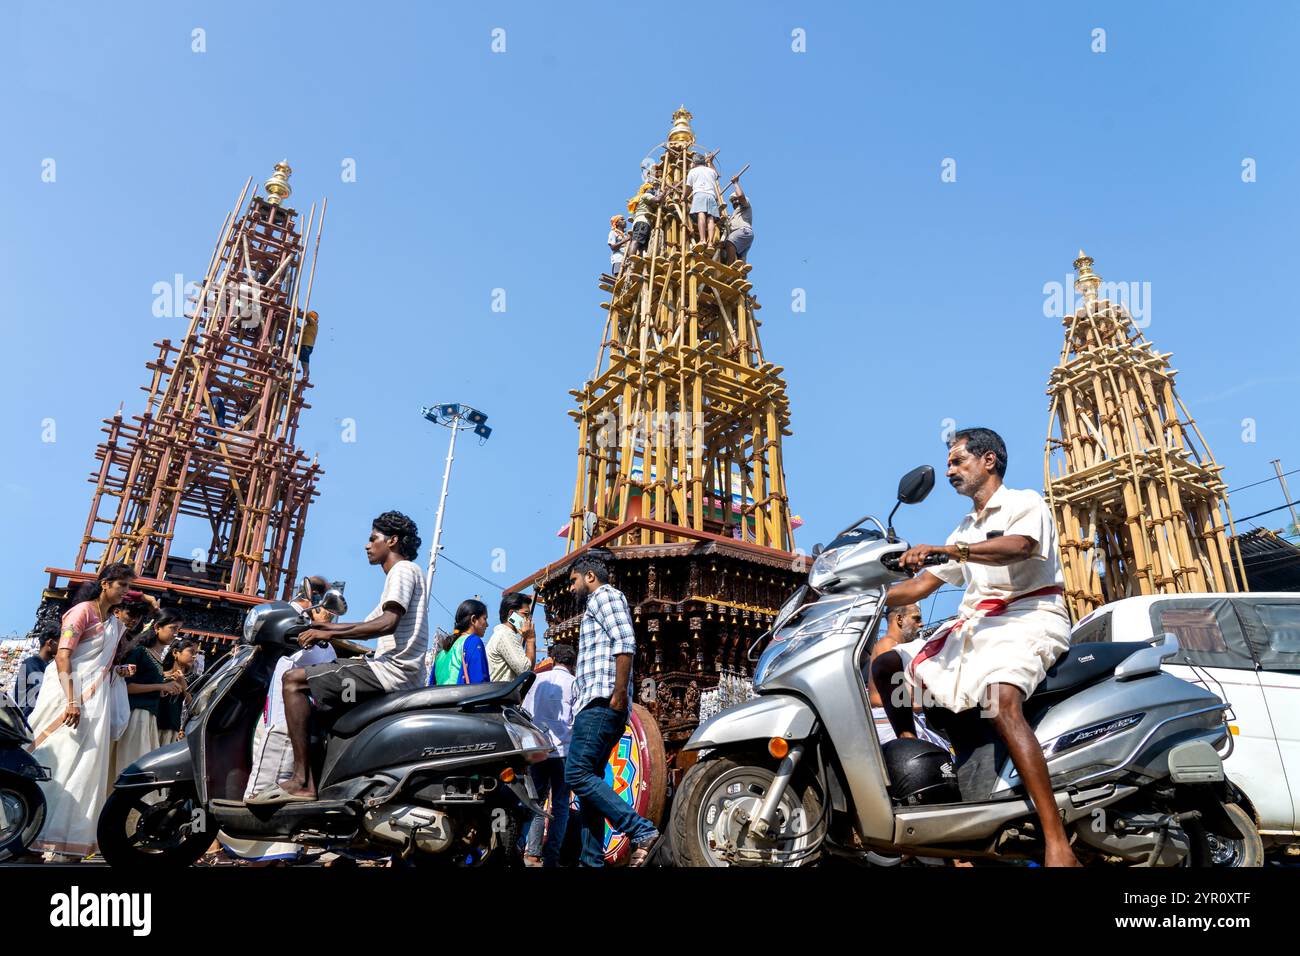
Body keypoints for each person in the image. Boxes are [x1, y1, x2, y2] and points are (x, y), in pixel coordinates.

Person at [870, 427, 1080, 867]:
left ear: (988, 461)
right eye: (948, 463)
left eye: (957, 460)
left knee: (999, 702)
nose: (949, 470)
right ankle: (915, 761)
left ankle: (1056, 841)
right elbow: (921, 587)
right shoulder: (966, 527)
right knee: (888, 663)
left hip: (1027, 619)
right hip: (977, 629)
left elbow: (1018, 548)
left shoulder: (1024, 503)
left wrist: (949, 549)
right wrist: (859, 596)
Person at [250, 511, 429, 804]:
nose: (367, 545)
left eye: (373, 539)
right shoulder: (407, 574)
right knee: (327, 699)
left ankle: (301, 781)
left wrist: (327, 634)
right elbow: (369, 625)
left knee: (293, 681)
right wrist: (323, 626)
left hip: (391, 672)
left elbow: (386, 623)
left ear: (392, 541)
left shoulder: (402, 571)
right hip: (396, 671)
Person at [25, 562, 138, 858]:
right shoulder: (82, 612)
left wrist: (120, 670)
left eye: (128, 586)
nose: (126, 592)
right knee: (56, 760)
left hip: (96, 701)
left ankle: (63, 839)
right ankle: (27, 828)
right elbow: (64, 657)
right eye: (122, 585)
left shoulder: (112, 621)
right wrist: (72, 701)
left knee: (87, 766)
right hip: (68, 696)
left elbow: (103, 665)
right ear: (106, 583)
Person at [564, 551, 659, 866]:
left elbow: (625, 642)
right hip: (601, 703)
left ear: (590, 576)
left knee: (576, 773)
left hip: (602, 702)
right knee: (590, 780)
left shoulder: (605, 597)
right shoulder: (597, 604)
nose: (571, 588)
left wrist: (619, 693)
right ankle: (591, 860)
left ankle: (640, 829)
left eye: (573, 580)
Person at [244, 577, 337, 801]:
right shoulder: (297, 628)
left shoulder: (317, 641)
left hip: (282, 732)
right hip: (273, 725)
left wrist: (320, 623)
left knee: (257, 798)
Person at [112, 609, 185, 781]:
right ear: (158, 627)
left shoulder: (158, 658)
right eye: (173, 628)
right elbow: (127, 687)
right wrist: (160, 685)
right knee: (134, 764)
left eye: (178, 630)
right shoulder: (140, 652)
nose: (176, 633)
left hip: (150, 717)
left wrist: (162, 689)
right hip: (135, 715)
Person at [522, 641, 576, 867]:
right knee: (561, 805)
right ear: (572, 664)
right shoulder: (574, 683)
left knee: (536, 803)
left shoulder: (538, 681)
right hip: (563, 751)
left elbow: (525, 712)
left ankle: (532, 852)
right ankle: (552, 856)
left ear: (553, 659)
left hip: (539, 750)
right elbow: (577, 718)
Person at [867, 604, 922, 744]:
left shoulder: (898, 647)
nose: (921, 624)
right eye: (916, 619)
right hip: (891, 722)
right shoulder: (888, 646)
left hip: (903, 719)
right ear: (899, 619)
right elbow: (898, 698)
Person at [486, 592, 536, 683]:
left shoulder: (504, 634)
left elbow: (529, 668)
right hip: (501, 695)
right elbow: (525, 672)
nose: (528, 620)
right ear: (511, 614)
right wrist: (530, 639)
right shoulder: (505, 635)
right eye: (525, 614)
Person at [157, 638, 198, 746]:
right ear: (175, 652)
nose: (194, 656)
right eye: (191, 652)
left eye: (196, 653)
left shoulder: (194, 679)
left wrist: (183, 685)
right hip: (153, 724)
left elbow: (194, 708)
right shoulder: (159, 673)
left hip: (172, 728)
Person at [14, 627, 59, 719]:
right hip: (27, 720)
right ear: (50, 642)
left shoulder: (48, 666)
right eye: (60, 642)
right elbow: (41, 689)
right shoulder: (31, 663)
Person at [686, 155, 721, 247]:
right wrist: (711, 162)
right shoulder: (710, 171)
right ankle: (710, 243)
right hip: (711, 196)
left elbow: (688, 188)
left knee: (701, 214)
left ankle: (702, 240)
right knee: (710, 218)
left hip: (699, 194)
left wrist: (684, 196)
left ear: (694, 163)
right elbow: (717, 175)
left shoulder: (692, 172)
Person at [722, 179, 753, 263]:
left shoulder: (745, 206)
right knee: (741, 262)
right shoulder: (733, 215)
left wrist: (735, 183)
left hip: (743, 231)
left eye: (735, 199)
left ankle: (729, 268)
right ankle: (741, 275)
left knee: (730, 242)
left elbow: (741, 196)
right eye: (732, 201)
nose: (734, 202)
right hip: (742, 236)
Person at [626, 179, 659, 256]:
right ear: (646, 190)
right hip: (643, 221)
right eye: (652, 189)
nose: (653, 191)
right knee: (637, 240)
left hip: (640, 221)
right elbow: (658, 199)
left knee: (642, 243)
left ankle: (638, 257)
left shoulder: (641, 199)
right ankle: (631, 258)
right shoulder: (646, 195)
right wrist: (664, 192)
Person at [300, 310, 318, 376]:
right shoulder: (308, 326)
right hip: (303, 345)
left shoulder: (313, 323)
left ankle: (306, 374)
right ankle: (306, 373)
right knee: (302, 359)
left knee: (304, 358)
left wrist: (303, 313)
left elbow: (307, 317)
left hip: (307, 345)